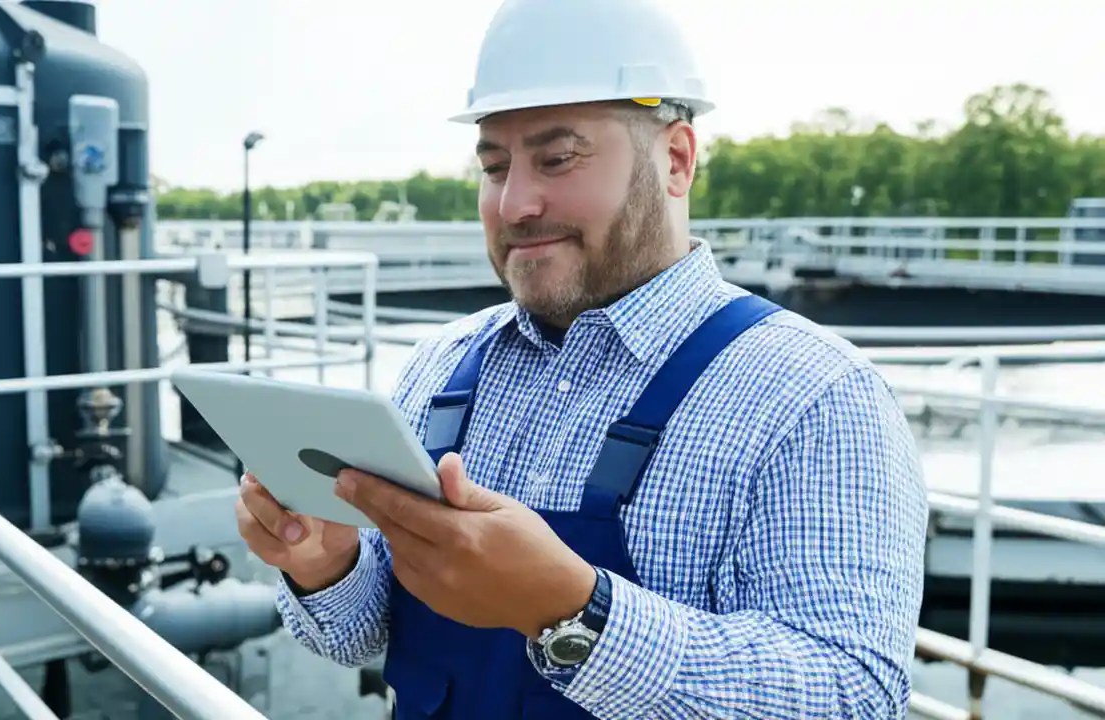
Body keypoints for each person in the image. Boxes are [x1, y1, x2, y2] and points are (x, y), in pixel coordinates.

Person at [236, 0, 929, 716]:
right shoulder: (441, 366)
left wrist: (571, 612)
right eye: (495, 165)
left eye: (557, 158)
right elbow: (363, 633)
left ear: (677, 160)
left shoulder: (813, 396)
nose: (514, 204)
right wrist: (326, 566)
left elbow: (852, 693)